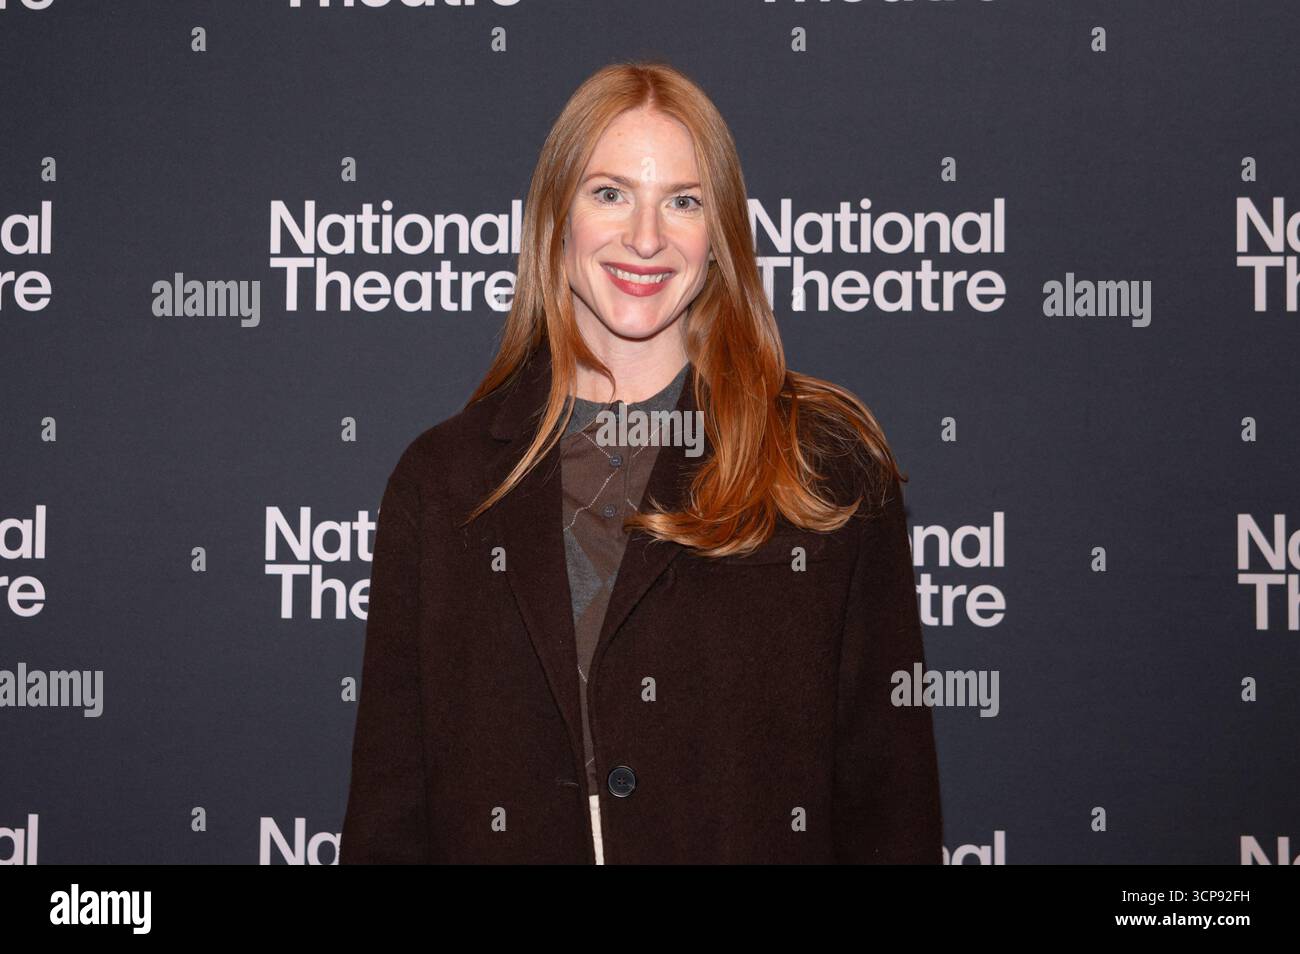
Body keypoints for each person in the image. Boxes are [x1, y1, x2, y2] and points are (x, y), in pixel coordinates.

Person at [340, 60, 942, 864]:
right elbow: (391, 814)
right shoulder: (442, 482)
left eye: (683, 202)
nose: (647, 237)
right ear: (557, 216)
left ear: (719, 234)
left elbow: (890, 805)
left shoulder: (823, 468)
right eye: (611, 192)